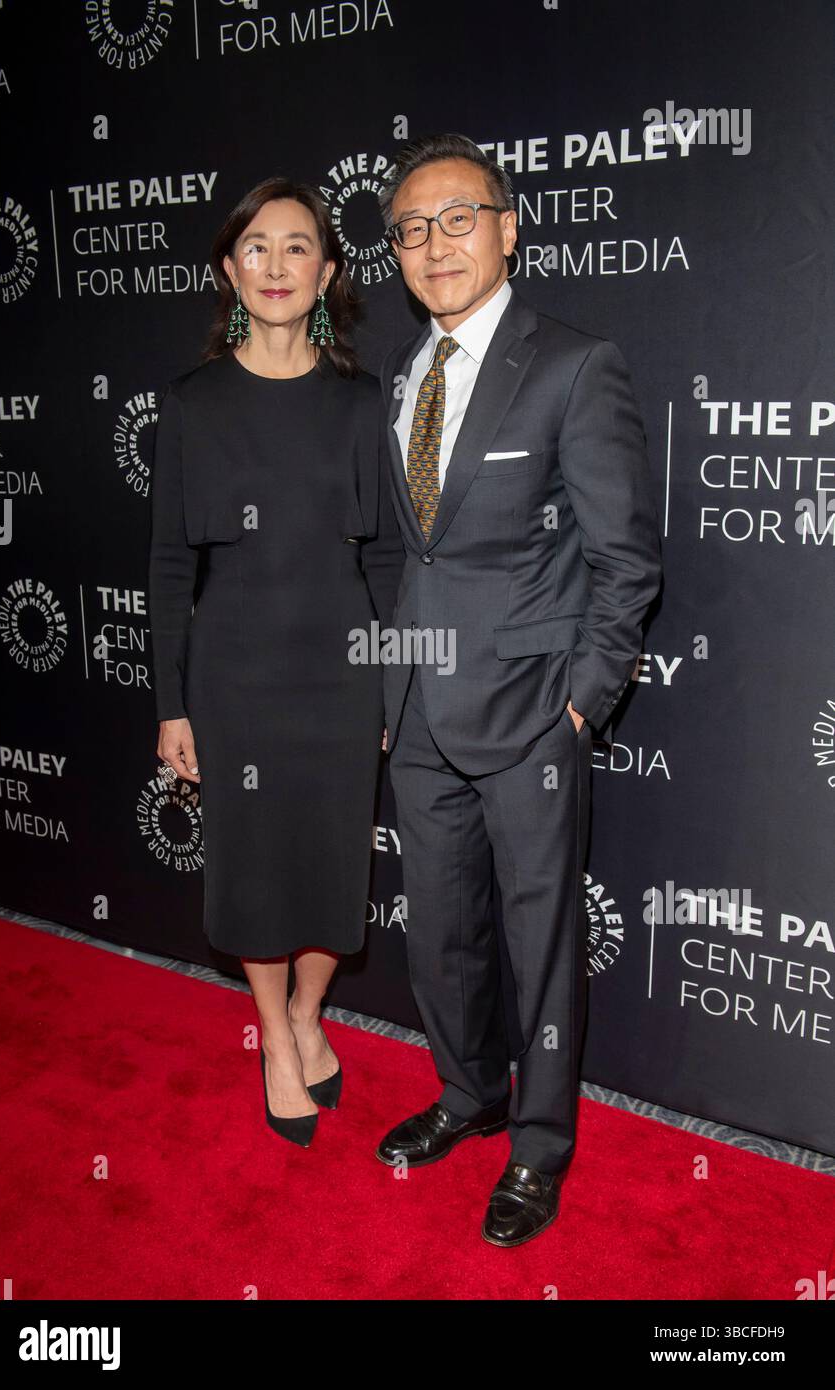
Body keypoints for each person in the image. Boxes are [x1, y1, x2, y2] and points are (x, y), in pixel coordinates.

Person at [373, 134, 663, 1245]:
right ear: (394, 253)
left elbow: (623, 558)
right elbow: (416, 556)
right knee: (438, 933)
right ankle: (466, 1094)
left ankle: (538, 1146)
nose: (434, 244)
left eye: (458, 219)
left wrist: (581, 702)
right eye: (410, 228)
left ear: (507, 226)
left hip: (534, 712)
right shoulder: (407, 373)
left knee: (540, 944)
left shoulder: (572, 365)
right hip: (418, 714)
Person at [148, 178, 404, 1150]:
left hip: (340, 670)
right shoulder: (190, 403)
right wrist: (171, 702)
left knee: (333, 864)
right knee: (254, 865)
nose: (276, 266)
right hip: (235, 675)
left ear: (328, 271)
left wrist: (390, 678)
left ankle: (307, 1012)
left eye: (297, 247)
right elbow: (170, 564)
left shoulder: (360, 401)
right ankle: (273, 1033)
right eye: (256, 247)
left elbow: (384, 553)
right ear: (229, 269)